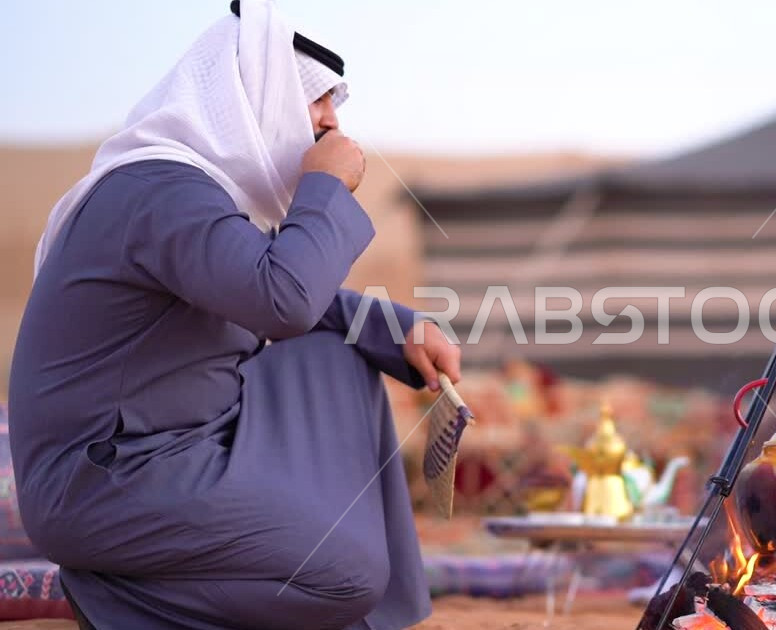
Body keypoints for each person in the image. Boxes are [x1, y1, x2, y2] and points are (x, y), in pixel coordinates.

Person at [7, 1, 459, 628]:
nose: (332, 123)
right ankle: (102, 597)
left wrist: (398, 327)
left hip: (187, 447)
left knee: (338, 356)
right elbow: (282, 299)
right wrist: (322, 189)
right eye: (317, 100)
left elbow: (279, 293)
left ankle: (322, 580)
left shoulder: (199, 195)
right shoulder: (161, 191)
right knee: (345, 572)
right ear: (257, 102)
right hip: (111, 480)